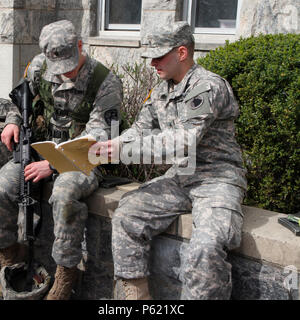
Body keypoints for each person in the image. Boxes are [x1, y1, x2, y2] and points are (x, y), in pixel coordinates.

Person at [90, 21, 247, 300]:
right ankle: (136, 297)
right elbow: (141, 129)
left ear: (182, 53)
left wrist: (125, 151)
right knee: (127, 215)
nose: (152, 62)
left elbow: (182, 142)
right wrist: (111, 145)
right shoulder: (162, 90)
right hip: (182, 177)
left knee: (207, 246)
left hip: (217, 179)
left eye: (159, 56)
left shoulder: (206, 87)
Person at [0, 20, 123, 300]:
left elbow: (97, 138)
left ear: (81, 46)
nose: (64, 73)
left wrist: (53, 164)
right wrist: (12, 122)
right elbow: (19, 100)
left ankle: (65, 275)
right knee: (1, 189)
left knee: (64, 194)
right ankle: (11, 263)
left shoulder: (105, 83)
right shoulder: (39, 65)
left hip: (83, 158)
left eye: (70, 64)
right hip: (39, 149)